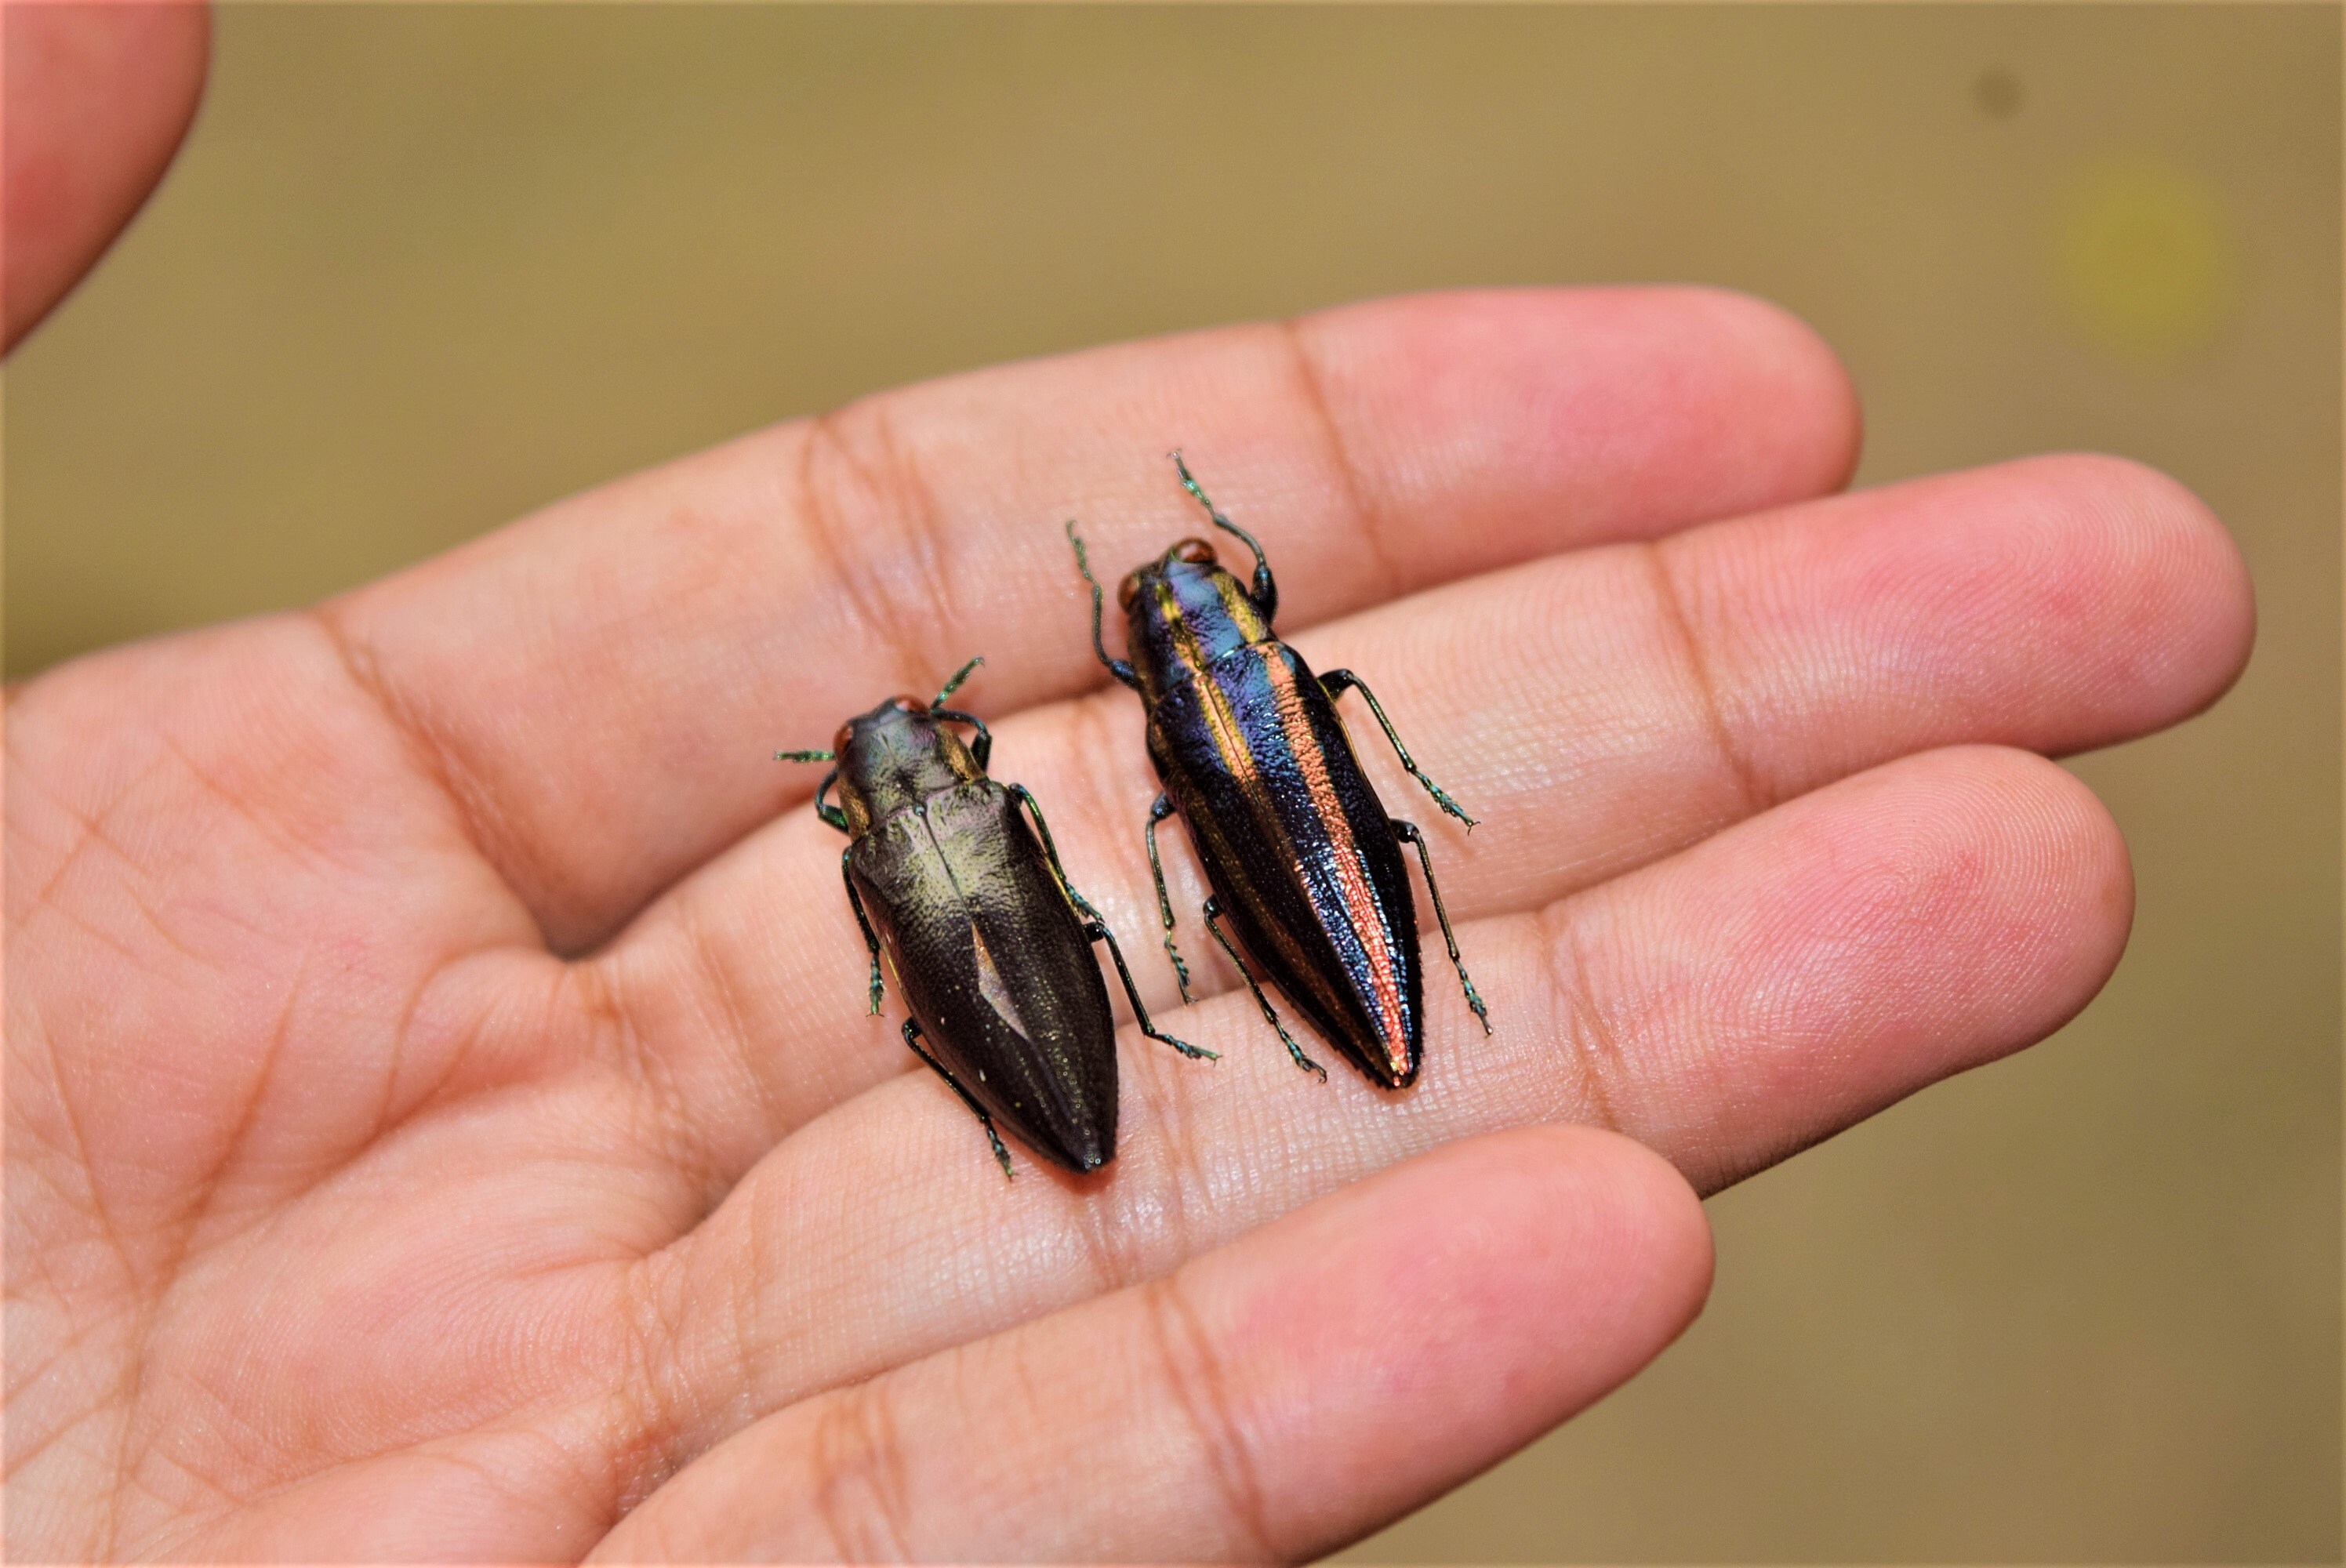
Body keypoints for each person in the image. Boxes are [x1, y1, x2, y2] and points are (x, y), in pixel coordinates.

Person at [3, 9, 2254, 1561]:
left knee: (1265, 847)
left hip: (1190, 858)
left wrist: (1188, 904)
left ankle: (1313, 993)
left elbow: (1106, 863)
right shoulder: (1187, 714)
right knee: (1286, 846)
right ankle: (1318, 993)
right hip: (1172, 869)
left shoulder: (1150, 734)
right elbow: (1148, 846)